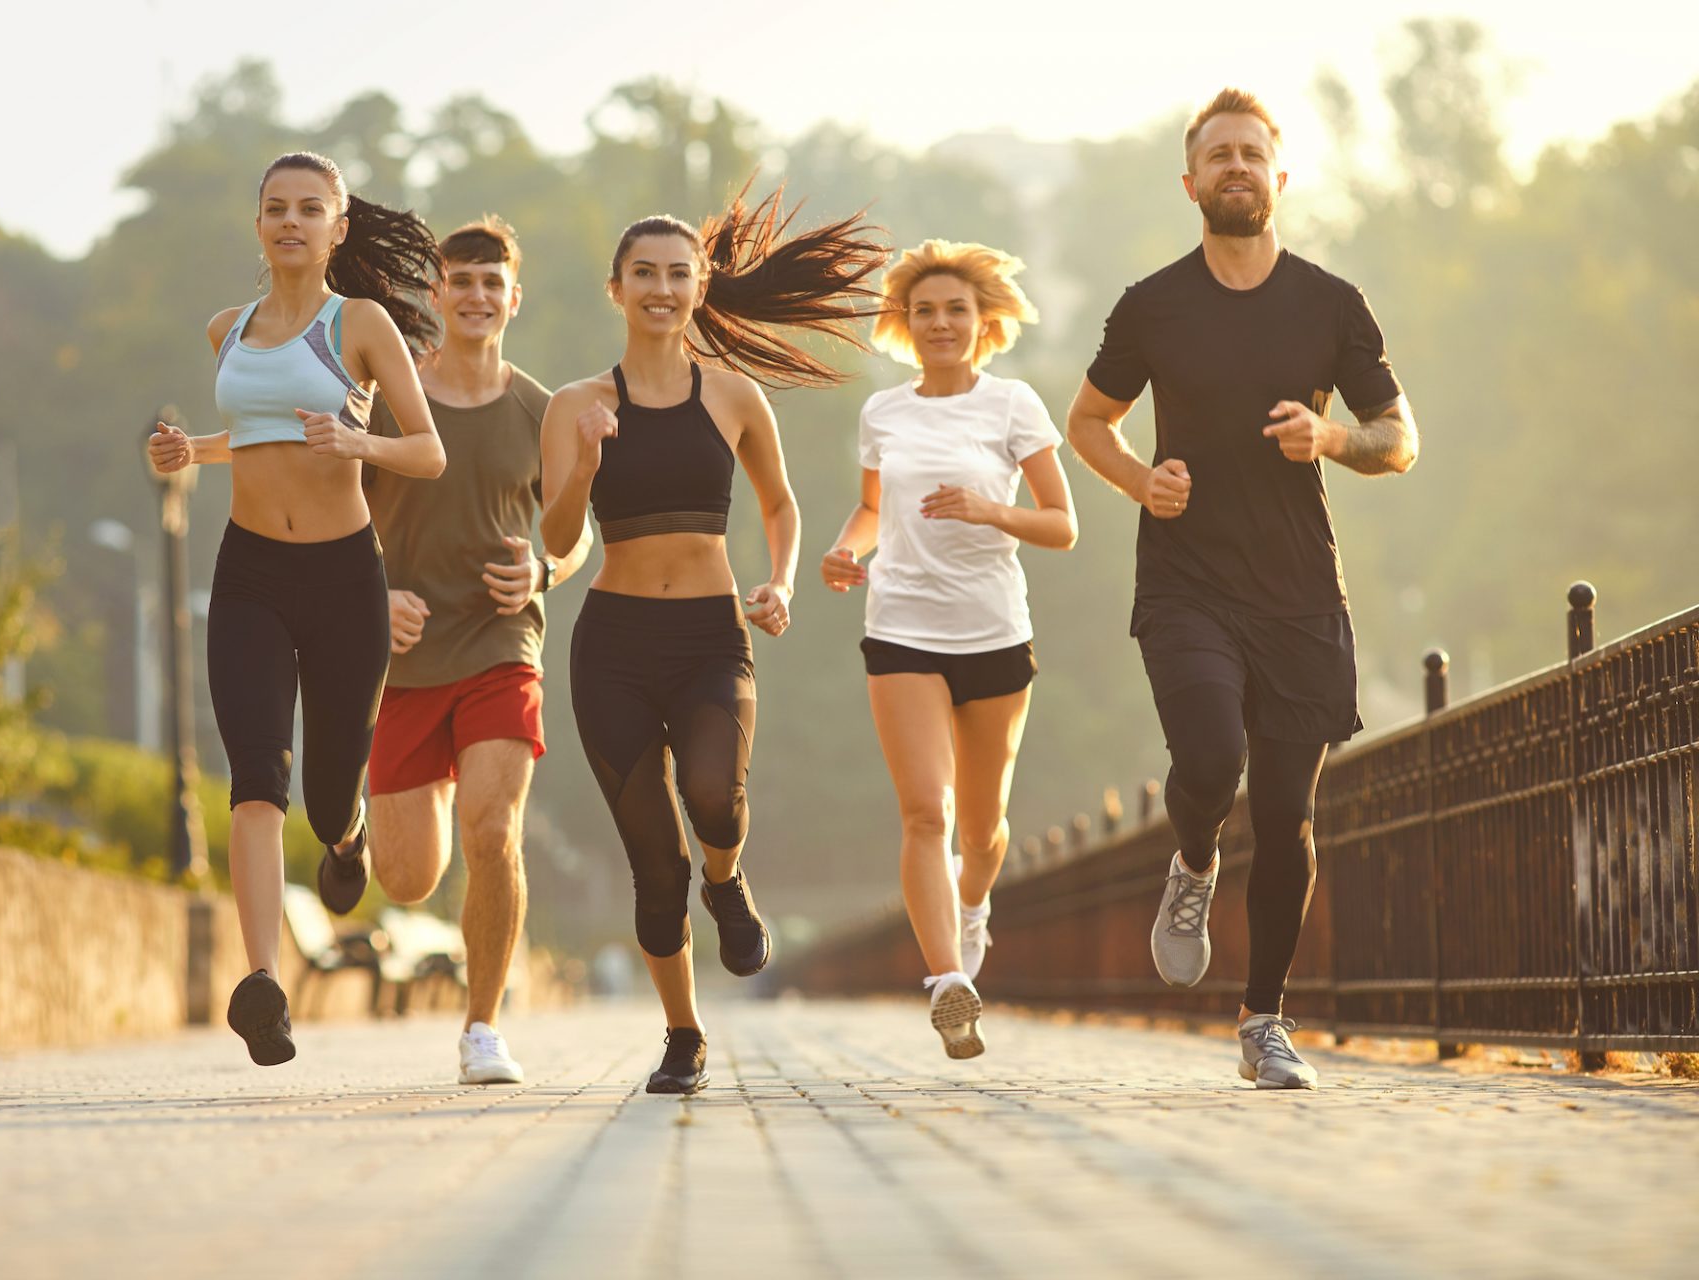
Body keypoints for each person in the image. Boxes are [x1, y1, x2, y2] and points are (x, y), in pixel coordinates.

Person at [1065, 89, 1418, 1089]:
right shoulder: (1152, 306)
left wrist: (1334, 437)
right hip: (1186, 580)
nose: (1235, 167)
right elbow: (1087, 421)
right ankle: (1193, 859)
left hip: (1300, 589)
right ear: (1190, 183)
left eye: (1252, 154)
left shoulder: (1331, 305)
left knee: (1290, 812)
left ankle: (1264, 1019)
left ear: (1279, 176)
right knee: (1212, 755)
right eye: (1217, 155)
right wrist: (1141, 479)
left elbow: (1401, 439)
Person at [540, 187, 886, 1094]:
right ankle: (684, 1035)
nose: (661, 287)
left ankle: (727, 882)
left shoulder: (732, 394)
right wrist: (583, 458)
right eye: (643, 274)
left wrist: (778, 578)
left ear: (699, 288)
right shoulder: (575, 401)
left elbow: (779, 501)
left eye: (677, 273)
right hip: (611, 643)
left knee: (714, 802)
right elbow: (552, 537)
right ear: (614, 289)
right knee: (655, 864)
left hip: (709, 633)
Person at [147, 152, 447, 1067]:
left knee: (324, 795)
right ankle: (264, 986)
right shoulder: (225, 330)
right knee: (256, 779)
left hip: (343, 578)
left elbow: (428, 452)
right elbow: (256, 431)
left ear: (337, 228)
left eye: (309, 209)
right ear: (258, 224)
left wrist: (358, 437)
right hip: (249, 576)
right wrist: (188, 452)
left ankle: (348, 832)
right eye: (275, 208)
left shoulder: (356, 324)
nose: (290, 222)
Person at [822, 240, 1077, 1060]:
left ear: (983, 322)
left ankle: (973, 909)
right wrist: (845, 550)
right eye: (924, 310)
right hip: (900, 627)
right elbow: (870, 510)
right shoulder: (884, 413)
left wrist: (988, 511)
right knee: (925, 813)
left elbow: (1062, 525)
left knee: (984, 828)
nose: (940, 322)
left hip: (995, 630)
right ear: (905, 321)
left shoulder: (1012, 405)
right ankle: (948, 984)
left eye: (955, 310)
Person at [358, 216, 593, 1085]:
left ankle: (482, 1028)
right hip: (405, 660)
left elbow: (576, 536)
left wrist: (541, 570)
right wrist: (374, 599)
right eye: (462, 282)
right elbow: (345, 523)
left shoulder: (540, 409)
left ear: (513, 300)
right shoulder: (392, 400)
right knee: (410, 878)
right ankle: (369, 816)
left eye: (493, 285)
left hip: (501, 645)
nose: (478, 297)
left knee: (494, 831)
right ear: (437, 295)